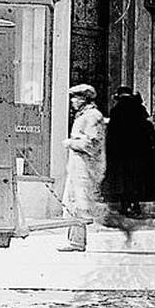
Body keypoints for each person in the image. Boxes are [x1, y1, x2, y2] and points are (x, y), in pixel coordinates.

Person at [103, 87, 155, 219]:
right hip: (142, 152)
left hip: (123, 152)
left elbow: (112, 135)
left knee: (125, 180)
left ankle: (128, 206)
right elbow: (149, 132)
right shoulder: (140, 110)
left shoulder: (117, 111)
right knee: (144, 179)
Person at [60, 83, 107, 252]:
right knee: (73, 203)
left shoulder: (92, 116)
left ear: (83, 99)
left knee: (78, 204)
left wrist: (71, 143)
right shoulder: (83, 116)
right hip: (77, 168)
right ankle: (75, 241)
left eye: (75, 98)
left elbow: (93, 144)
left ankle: (77, 242)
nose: (72, 101)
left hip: (85, 169)